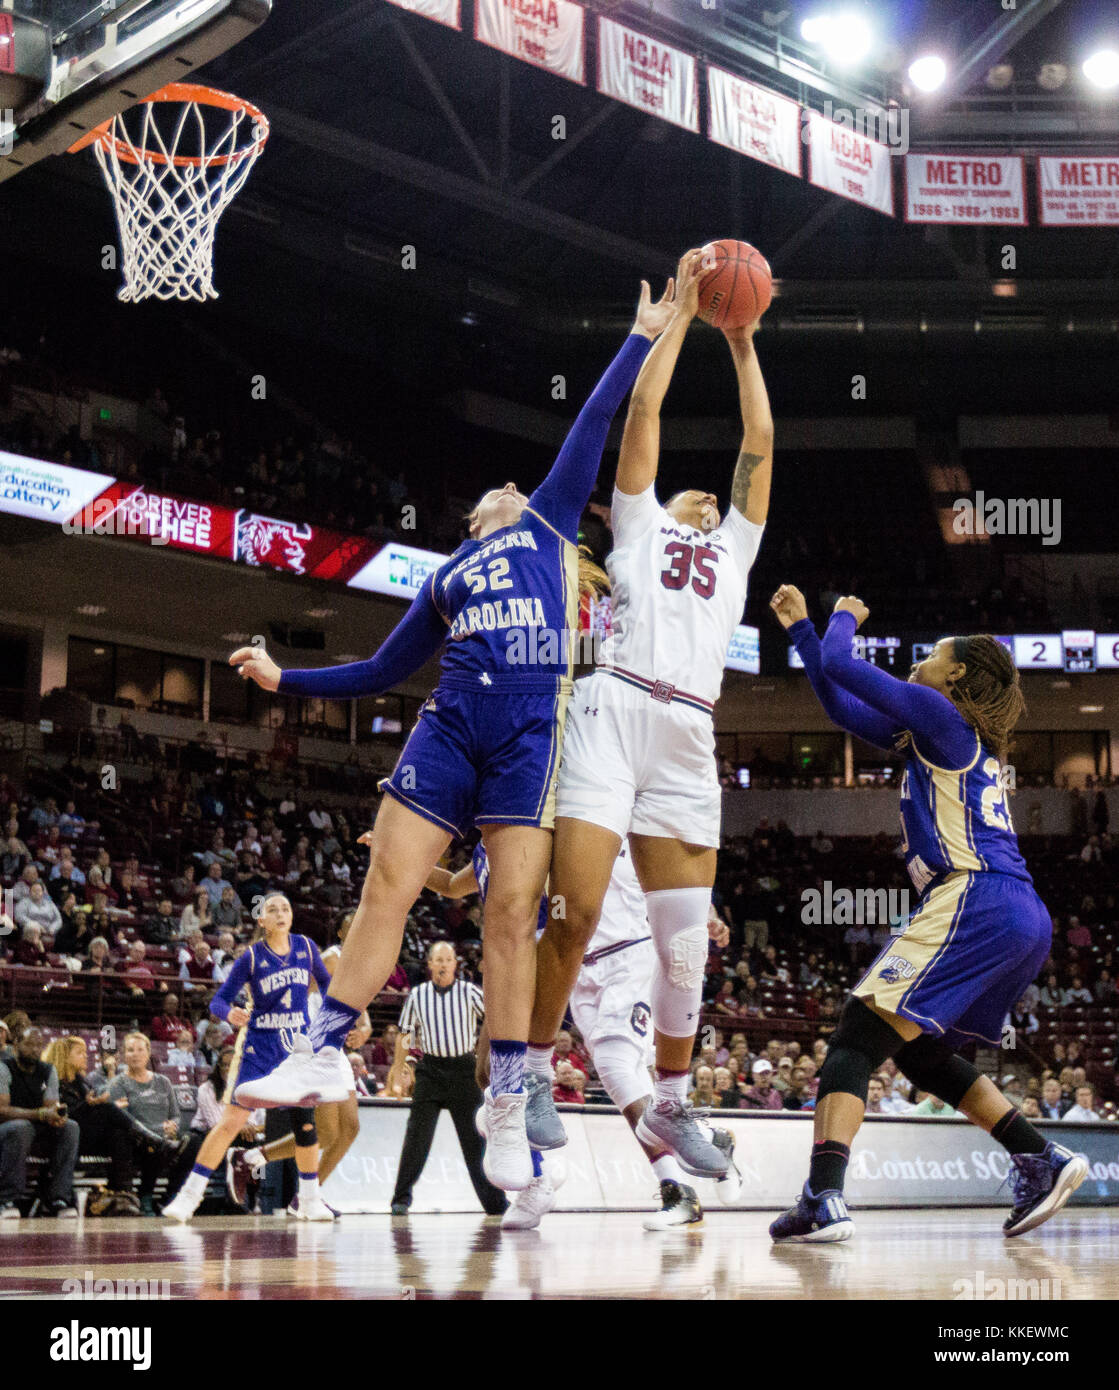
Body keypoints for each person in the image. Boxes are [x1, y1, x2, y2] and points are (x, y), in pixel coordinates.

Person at [227, 284, 674, 1192]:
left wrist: (635, 337)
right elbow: (380, 672)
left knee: (510, 917)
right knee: (384, 886)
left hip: (528, 739)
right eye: (495, 491)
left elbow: (588, 427)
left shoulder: (549, 522)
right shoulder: (448, 575)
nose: (513, 486)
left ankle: (508, 1099)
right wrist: (285, 680)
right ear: (474, 521)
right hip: (450, 728)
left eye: (518, 484)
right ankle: (325, 1047)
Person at [528, 250, 772, 1183]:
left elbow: (757, 445)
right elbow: (644, 414)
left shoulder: (738, 547)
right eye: (691, 493)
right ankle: (530, 1074)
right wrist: (672, 323)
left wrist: (742, 345)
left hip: (687, 730)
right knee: (578, 912)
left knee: (681, 944)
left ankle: (671, 1105)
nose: (709, 496)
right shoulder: (637, 521)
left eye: (716, 498)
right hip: (615, 706)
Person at [768, 583, 1088, 1240]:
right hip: (1017, 914)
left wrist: (841, 618)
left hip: (975, 895)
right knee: (920, 1056)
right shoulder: (935, 732)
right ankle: (1037, 1155)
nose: (920, 659)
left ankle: (823, 1196)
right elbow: (838, 704)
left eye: (933, 653)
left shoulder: (941, 717)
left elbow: (840, 665)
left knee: (855, 1036)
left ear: (958, 673)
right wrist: (802, 630)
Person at [428, 837, 740, 1230]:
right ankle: (704, 1139)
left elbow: (680, 873)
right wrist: (399, 856)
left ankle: (675, 1187)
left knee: (614, 1065)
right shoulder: (488, 845)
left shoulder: (549, 823)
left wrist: (704, 915)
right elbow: (453, 886)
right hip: (569, 966)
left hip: (596, 955)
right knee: (490, 1071)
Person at [162, 893, 334, 1223]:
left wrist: (329, 1018)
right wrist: (232, 1014)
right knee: (231, 1123)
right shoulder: (252, 957)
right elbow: (218, 1003)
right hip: (258, 1047)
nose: (281, 913)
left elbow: (326, 984)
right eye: (273, 909)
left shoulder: (306, 948)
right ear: (262, 920)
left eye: (286, 907)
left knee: (306, 1124)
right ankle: (189, 1196)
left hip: (296, 1048)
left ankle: (311, 1200)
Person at [225, 913, 367, 1214]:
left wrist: (363, 1029)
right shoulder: (330, 958)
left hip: (335, 1046)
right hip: (314, 1046)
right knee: (327, 1132)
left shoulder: (363, 964)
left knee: (349, 1129)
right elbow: (294, 990)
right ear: (342, 933)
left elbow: (359, 1011)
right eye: (353, 925)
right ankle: (294, 1189)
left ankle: (281, 1180)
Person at [380, 941, 505, 1217]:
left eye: (448, 959)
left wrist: (487, 1058)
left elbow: (493, 1021)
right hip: (430, 1070)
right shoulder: (417, 995)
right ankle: (400, 1200)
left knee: (476, 1140)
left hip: (464, 1071)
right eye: (438, 960)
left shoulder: (470, 992)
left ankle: (495, 1203)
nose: (443, 964)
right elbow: (407, 1032)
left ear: (455, 964)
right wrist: (402, 1066)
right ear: (430, 965)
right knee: (416, 1138)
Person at [41, 1036, 146, 1216]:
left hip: (88, 1137)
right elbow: (64, 1118)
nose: (85, 1056)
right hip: (65, 1138)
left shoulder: (82, 1082)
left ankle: (122, 1193)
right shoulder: (54, 1082)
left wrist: (96, 1105)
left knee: (119, 1133)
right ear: (65, 1056)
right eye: (80, 1053)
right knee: (108, 1109)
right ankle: (147, 1139)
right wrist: (90, 1105)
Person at [0, 1025, 79, 1218]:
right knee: (22, 1127)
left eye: (38, 1046)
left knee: (71, 1127)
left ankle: (58, 1198)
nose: (35, 1050)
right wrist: (42, 1115)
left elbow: (50, 1107)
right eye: (29, 1045)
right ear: (16, 1044)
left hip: (35, 1127)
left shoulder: (47, 1070)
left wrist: (57, 1118)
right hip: (6, 1128)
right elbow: (2, 1111)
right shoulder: (4, 1068)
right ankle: (8, 1198)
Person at [108, 1033, 183, 1216]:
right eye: (130, 1050)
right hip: (136, 1141)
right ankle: (146, 1196)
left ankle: (171, 1195)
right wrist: (159, 1130)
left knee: (193, 1142)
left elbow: (176, 1116)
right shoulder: (118, 1083)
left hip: (164, 1138)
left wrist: (173, 1125)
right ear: (124, 1055)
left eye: (140, 1049)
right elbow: (124, 1120)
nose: (135, 1054)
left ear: (148, 1053)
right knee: (153, 1143)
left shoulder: (163, 1082)